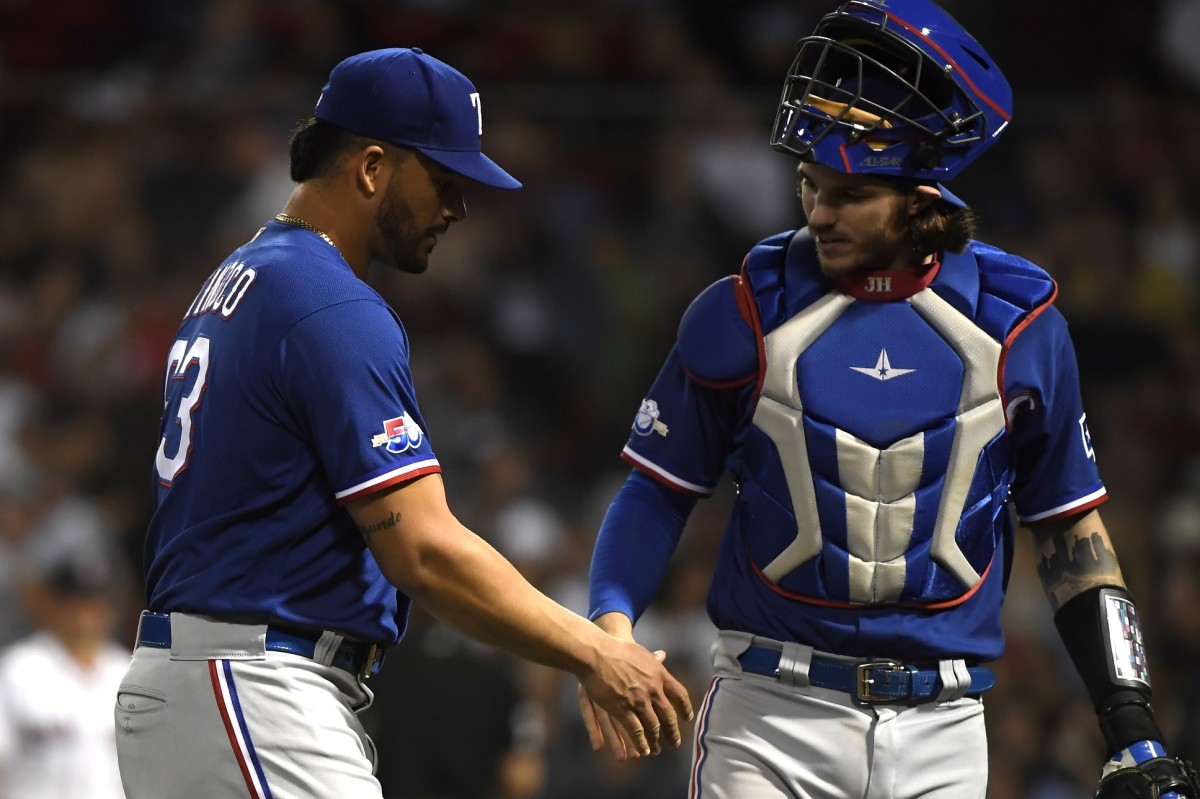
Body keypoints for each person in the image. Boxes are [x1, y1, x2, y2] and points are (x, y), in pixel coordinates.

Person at [578, 2, 1200, 798]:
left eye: (851, 192)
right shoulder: (743, 309)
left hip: (946, 727)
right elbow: (657, 490)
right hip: (771, 716)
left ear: (922, 198)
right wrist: (610, 627)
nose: (819, 211)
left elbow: (1070, 530)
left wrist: (1131, 723)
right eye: (810, 184)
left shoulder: (1018, 324)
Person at [113, 47, 692, 799]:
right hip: (254, 684)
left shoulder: (246, 273)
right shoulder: (330, 302)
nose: (457, 207)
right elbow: (422, 549)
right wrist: (594, 651)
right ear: (372, 167)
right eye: (445, 181)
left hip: (209, 681)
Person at [0, 526, 129, 799]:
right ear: (54, 605)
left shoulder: (129, 673)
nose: (84, 615)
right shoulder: (17, 669)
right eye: (74, 602)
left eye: (93, 603)